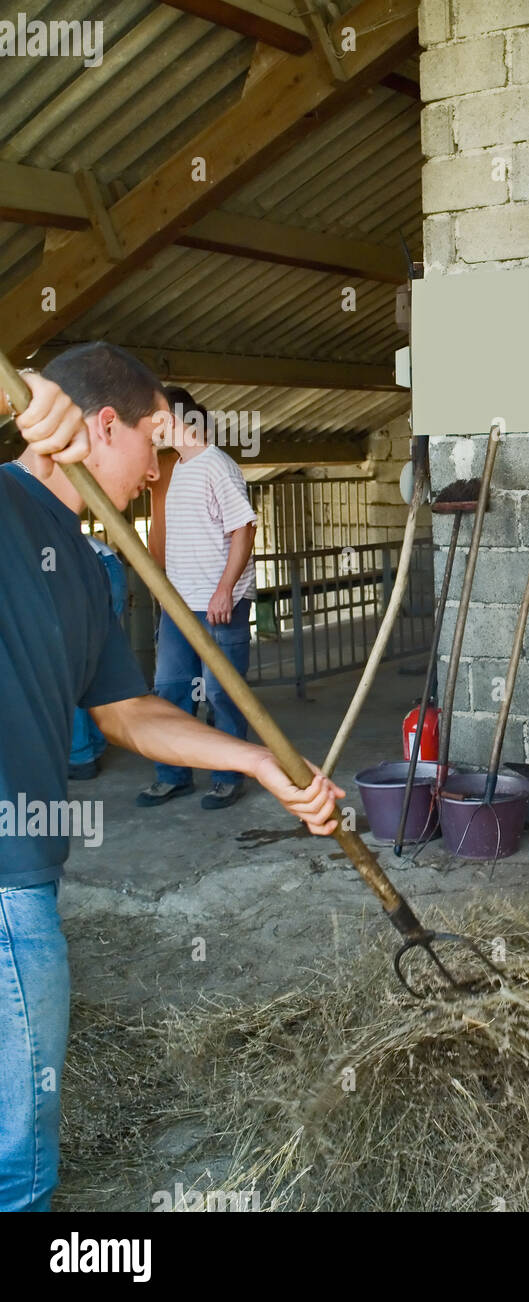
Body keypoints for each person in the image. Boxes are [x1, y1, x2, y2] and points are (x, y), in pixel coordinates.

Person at [0, 342, 342, 1211]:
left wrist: (257, 759)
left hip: (26, 868)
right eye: (152, 439)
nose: (156, 468)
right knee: (19, 1154)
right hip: (5, 883)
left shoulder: (87, 564)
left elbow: (126, 713)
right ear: (98, 426)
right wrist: (23, 400)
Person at [137, 385, 258, 812]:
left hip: (217, 606)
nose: (151, 429)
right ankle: (173, 776)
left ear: (176, 418)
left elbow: (243, 529)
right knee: (170, 691)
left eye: (156, 419)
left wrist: (225, 589)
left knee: (222, 693)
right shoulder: (180, 469)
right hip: (178, 605)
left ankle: (227, 778)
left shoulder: (216, 465)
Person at [67, 536, 127, 780]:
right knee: (91, 663)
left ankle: (80, 756)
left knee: (67, 665)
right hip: (104, 563)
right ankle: (94, 743)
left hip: (83, 568)